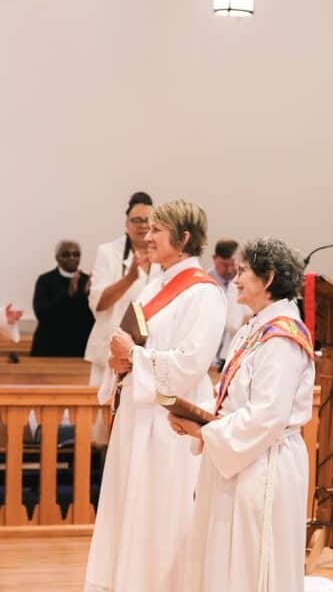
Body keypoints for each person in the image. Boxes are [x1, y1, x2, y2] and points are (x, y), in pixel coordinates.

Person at [84, 200, 225, 592]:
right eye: (147, 229)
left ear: (182, 239)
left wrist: (135, 356)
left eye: (157, 230)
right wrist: (121, 360)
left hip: (168, 426)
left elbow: (190, 363)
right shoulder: (153, 286)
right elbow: (136, 343)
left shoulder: (205, 295)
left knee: (162, 514)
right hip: (136, 416)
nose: (147, 237)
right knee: (130, 509)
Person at [170, 237, 315, 592]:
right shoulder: (255, 327)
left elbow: (268, 415)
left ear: (267, 278)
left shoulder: (281, 338)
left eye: (245, 271)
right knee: (225, 558)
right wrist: (203, 422)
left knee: (253, 564)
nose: (235, 277)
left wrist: (205, 432)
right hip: (241, 457)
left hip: (266, 462)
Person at [85, 191, 162, 403]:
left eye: (148, 220)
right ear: (126, 224)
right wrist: (129, 278)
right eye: (136, 220)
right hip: (109, 356)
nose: (143, 226)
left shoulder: (165, 255)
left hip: (149, 356)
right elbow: (99, 304)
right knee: (100, 428)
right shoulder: (108, 252)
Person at [30, 240, 95, 356]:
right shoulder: (45, 280)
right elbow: (41, 313)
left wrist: (88, 296)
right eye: (66, 254)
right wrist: (67, 295)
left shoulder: (87, 281)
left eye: (76, 254)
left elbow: (92, 318)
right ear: (57, 258)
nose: (72, 258)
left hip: (80, 347)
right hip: (49, 346)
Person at [208, 238, 250, 368]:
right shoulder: (205, 283)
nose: (230, 270)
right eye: (225, 265)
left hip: (233, 349)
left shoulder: (241, 281)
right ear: (215, 259)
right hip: (211, 349)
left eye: (234, 265)